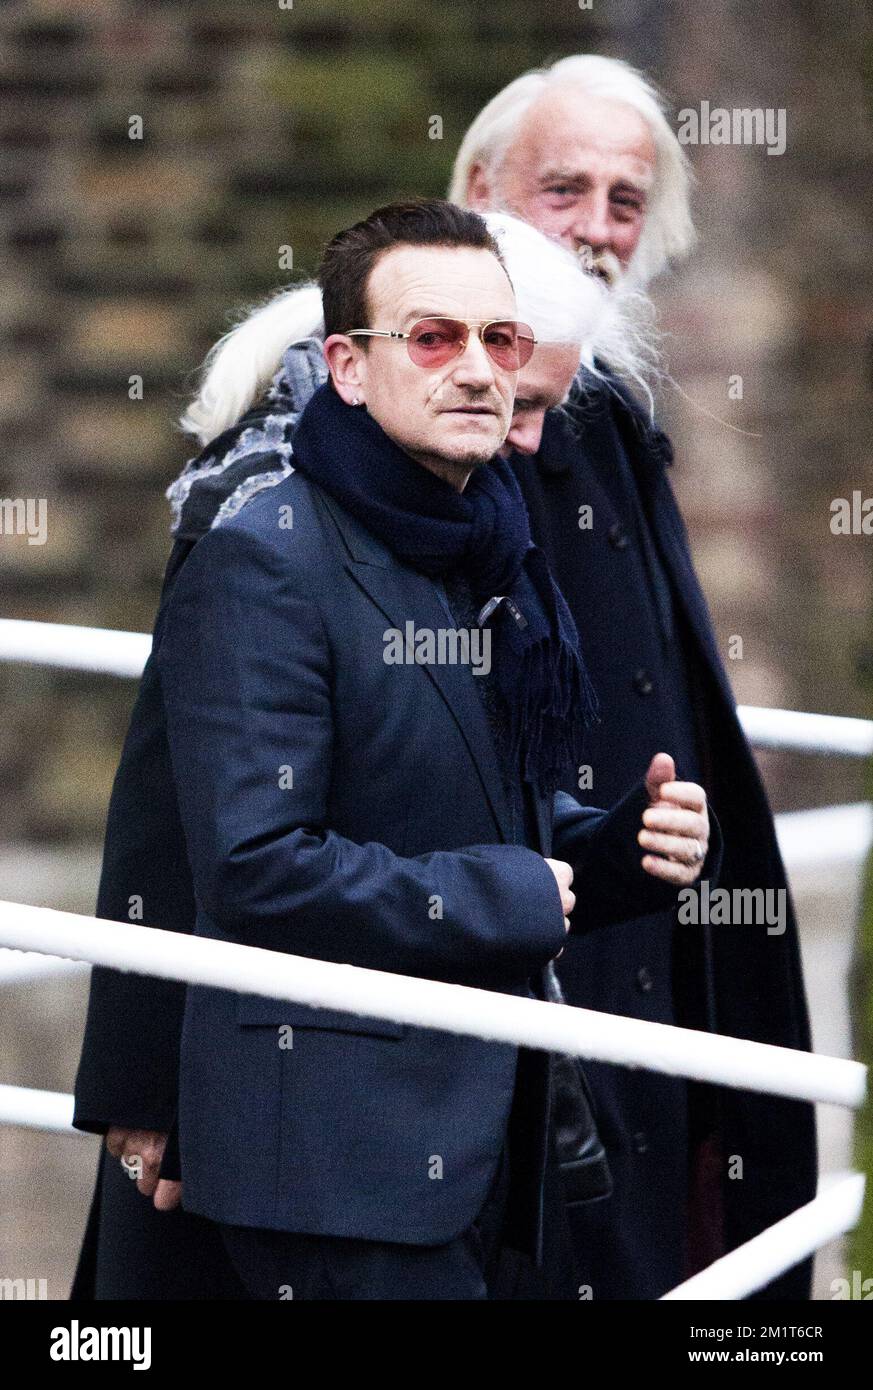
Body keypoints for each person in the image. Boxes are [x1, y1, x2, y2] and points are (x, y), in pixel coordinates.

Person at [72, 200, 716, 1300]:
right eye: (432, 338)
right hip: (335, 1160)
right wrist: (502, 889)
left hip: (473, 1142)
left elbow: (472, 819)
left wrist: (616, 854)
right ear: (349, 369)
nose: (477, 371)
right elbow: (256, 864)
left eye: (498, 341)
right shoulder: (264, 555)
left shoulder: (485, 545)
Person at [452, 54, 817, 1299]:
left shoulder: (606, 403)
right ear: (480, 186)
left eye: (625, 199)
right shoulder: (385, 406)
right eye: (567, 189)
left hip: (668, 947)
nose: (598, 229)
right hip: (523, 943)